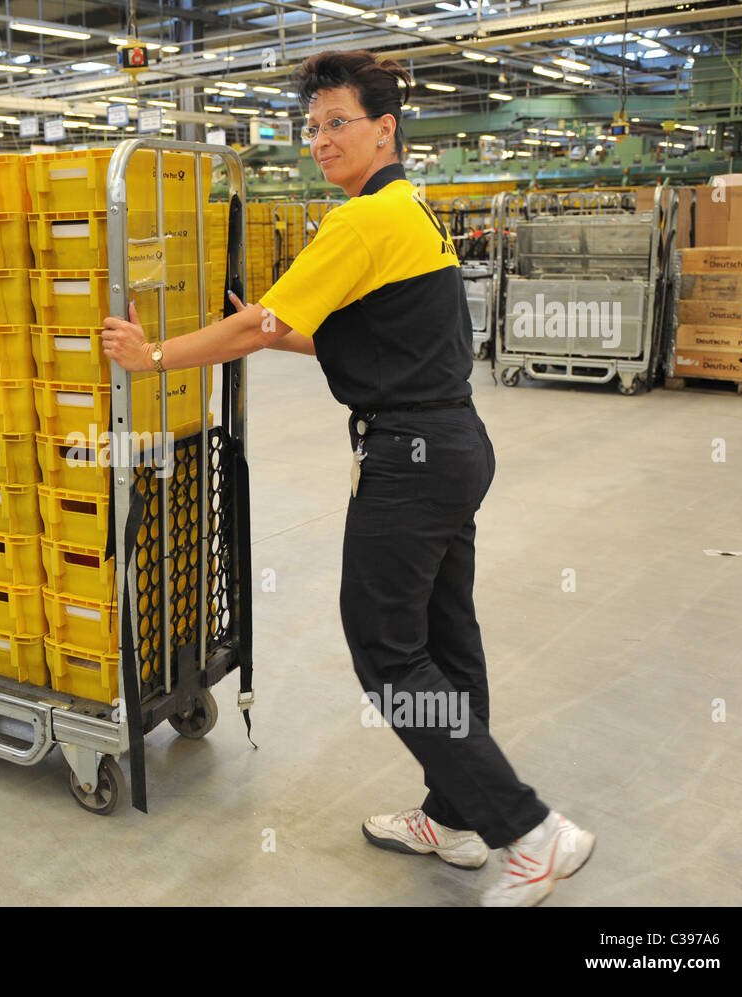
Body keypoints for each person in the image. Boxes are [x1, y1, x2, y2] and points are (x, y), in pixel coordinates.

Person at [101, 50, 594, 907]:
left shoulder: (361, 222)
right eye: (312, 126)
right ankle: (457, 815)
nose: (320, 141)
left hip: (409, 460)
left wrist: (156, 356)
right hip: (451, 446)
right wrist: (241, 325)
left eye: (337, 123)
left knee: (389, 653)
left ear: (385, 129)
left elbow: (266, 323)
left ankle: (530, 830)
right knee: (444, 639)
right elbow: (324, 332)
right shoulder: (408, 212)